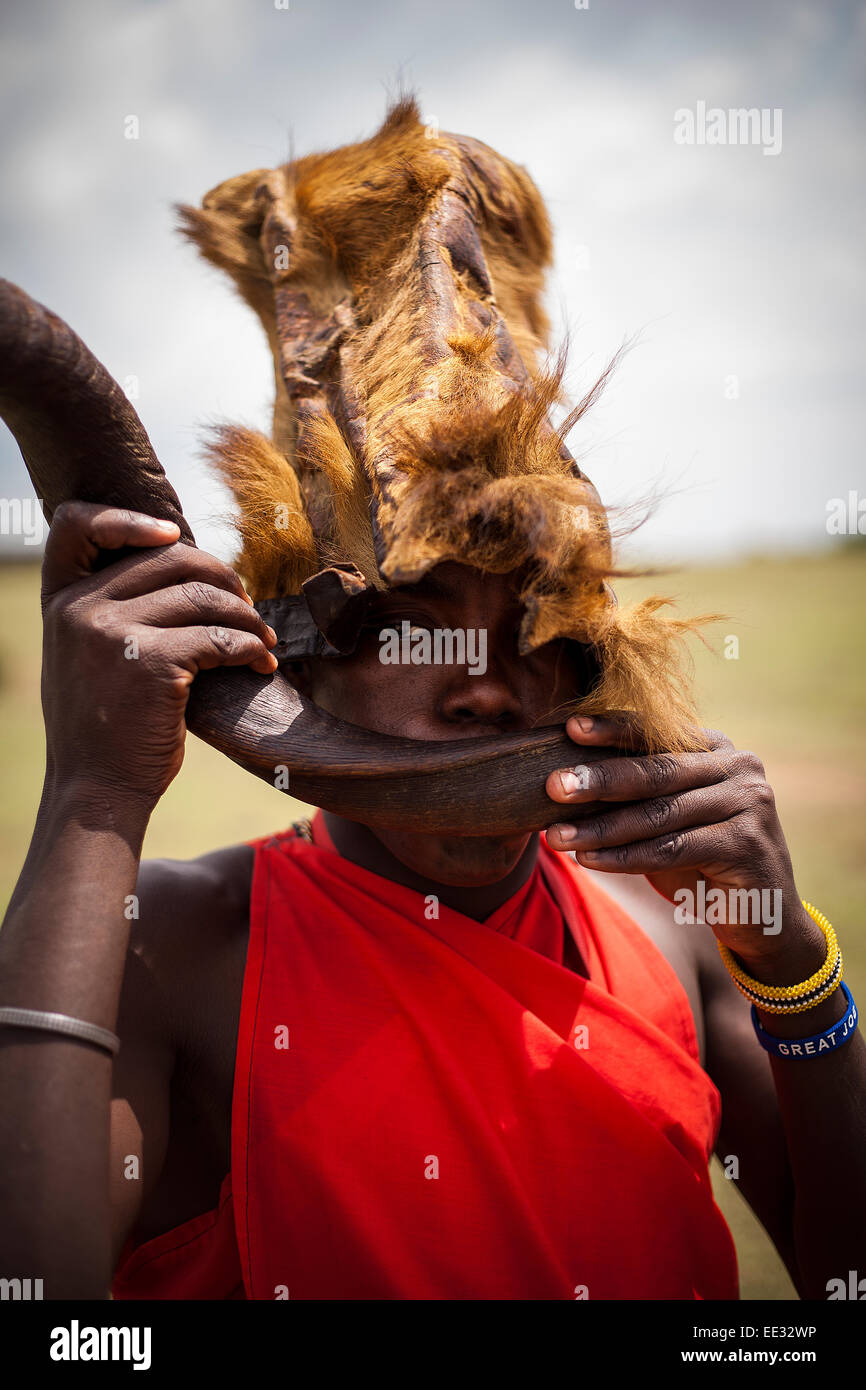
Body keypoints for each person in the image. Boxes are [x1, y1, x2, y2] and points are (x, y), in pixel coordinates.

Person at [1, 100, 864, 1302]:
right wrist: (92, 795)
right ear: (293, 662)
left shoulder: (674, 936)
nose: (488, 682)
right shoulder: (180, 948)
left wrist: (791, 964)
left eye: (537, 630)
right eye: (414, 619)